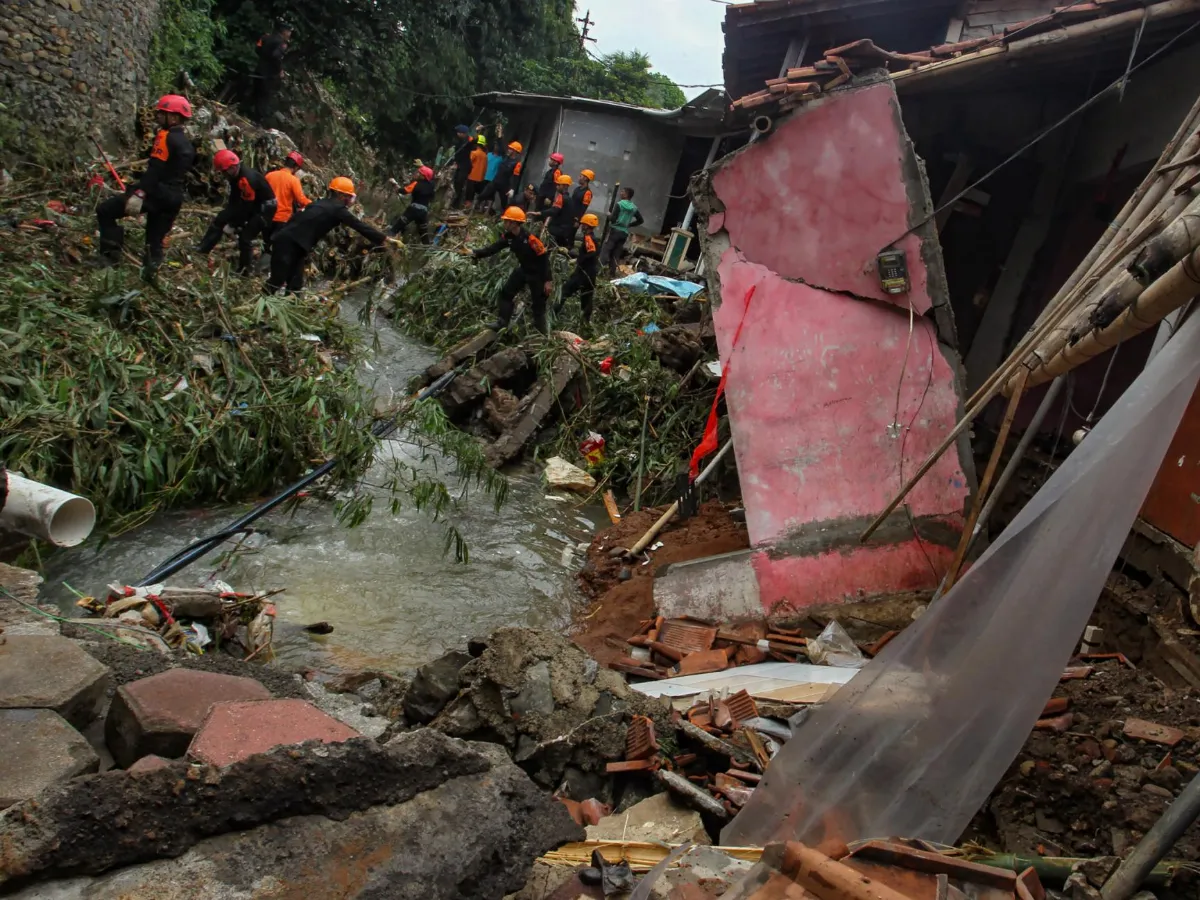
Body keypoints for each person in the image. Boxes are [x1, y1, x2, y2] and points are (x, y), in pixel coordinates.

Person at [96, 94, 196, 277]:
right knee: (154, 242)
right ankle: (149, 278)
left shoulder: (164, 137)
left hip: (156, 193)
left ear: (173, 117)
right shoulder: (187, 144)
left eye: (162, 113)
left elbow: (155, 170)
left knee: (105, 210)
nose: (158, 116)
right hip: (175, 198)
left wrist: (139, 194)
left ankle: (110, 259)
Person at [267, 176, 387, 293]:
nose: (350, 200)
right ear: (341, 195)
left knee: (295, 285)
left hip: (295, 245)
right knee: (276, 281)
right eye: (348, 196)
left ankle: (286, 308)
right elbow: (359, 226)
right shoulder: (338, 209)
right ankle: (260, 305)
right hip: (288, 244)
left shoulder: (320, 203)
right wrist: (384, 239)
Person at [462, 206, 551, 333]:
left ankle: (541, 336)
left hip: (537, 275)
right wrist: (473, 252)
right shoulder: (509, 237)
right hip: (523, 270)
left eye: (506, 221)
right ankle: (502, 323)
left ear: (514, 223)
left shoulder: (531, 239)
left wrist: (548, 281)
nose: (504, 223)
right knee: (506, 294)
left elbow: (544, 259)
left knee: (538, 307)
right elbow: (492, 249)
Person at [196, 149, 274, 275]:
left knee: (245, 237)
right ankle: (203, 248)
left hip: (264, 209)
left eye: (224, 172)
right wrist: (228, 215)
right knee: (220, 219)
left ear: (232, 167)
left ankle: (245, 269)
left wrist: (234, 223)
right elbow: (235, 199)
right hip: (252, 204)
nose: (224, 175)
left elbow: (246, 207)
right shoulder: (235, 176)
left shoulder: (247, 180)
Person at [556, 213, 600, 325]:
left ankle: (553, 313)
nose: (581, 226)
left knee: (565, 291)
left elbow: (592, 252)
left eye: (583, 224)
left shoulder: (589, 238)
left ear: (587, 225)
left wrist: (579, 260)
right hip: (591, 274)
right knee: (586, 299)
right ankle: (585, 323)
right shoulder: (592, 238)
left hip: (583, 273)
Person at [262, 150, 311, 250]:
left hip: (267, 217)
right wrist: (314, 204)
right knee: (278, 248)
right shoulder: (293, 180)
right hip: (282, 219)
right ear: (296, 167)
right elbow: (301, 200)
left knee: (266, 245)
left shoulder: (269, 175)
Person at [254, 21, 292, 125]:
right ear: (284, 31)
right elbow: (276, 56)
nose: (289, 34)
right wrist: (280, 70)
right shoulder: (282, 43)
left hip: (258, 69)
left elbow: (257, 48)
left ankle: (255, 119)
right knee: (264, 97)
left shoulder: (265, 37)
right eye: (289, 31)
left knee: (257, 95)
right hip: (269, 74)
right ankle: (258, 122)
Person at [600, 186, 644, 277]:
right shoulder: (634, 208)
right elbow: (640, 220)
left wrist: (608, 215)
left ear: (627, 194)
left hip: (615, 231)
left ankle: (599, 270)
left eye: (623, 192)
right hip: (624, 233)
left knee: (606, 250)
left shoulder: (619, 204)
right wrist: (629, 225)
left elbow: (612, 219)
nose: (621, 193)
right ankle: (612, 274)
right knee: (616, 254)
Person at [388, 165, 436, 243]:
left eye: (419, 173)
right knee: (423, 232)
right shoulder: (431, 187)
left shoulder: (416, 183)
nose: (417, 174)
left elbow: (404, 191)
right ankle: (427, 248)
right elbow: (432, 198)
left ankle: (387, 238)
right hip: (423, 212)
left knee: (398, 226)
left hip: (413, 210)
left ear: (423, 176)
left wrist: (394, 184)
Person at [478, 141, 524, 215]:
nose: (508, 150)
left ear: (515, 151)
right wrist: (500, 137)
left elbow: (516, 177)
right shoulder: (505, 157)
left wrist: (512, 189)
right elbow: (501, 146)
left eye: (510, 149)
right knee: (482, 195)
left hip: (504, 185)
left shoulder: (516, 163)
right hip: (495, 181)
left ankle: (505, 216)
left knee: (504, 204)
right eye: (509, 148)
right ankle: (472, 209)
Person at [537, 174, 576, 248]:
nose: (556, 186)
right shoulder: (568, 199)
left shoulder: (562, 198)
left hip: (559, 229)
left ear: (565, 186)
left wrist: (539, 213)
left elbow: (554, 211)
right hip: (564, 230)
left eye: (559, 184)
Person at [474, 141, 505, 212]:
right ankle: (481, 209)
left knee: (491, 196)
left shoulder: (501, 159)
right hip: (485, 176)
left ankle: (487, 211)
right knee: (483, 193)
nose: (496, 148)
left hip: (493, 179)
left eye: (497, 147)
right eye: (495, 146)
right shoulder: (488, 155)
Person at [451, 125, 476, 208]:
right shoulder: (458, 141)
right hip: (459, 165)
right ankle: (454, 202)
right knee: (456, 183)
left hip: (464, 166)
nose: (457, 134)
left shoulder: (468, 141)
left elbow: (473, 141)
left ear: (463, 134)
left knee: (460, 183)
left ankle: (457, 203)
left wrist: (477, 131)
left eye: (459, 132)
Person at [464, 134, 488, 208]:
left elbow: (468, 164)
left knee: (469, 195)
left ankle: (467, 206)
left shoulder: (474, 153)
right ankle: (476, 207)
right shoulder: (485, 155)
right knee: (477, 194)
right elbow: (485, 167)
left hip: (471, 176)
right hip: (480, 178)